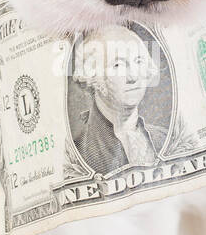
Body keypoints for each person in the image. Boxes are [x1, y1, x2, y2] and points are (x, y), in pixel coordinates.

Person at [71, 28, 168, 173]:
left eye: (139, 61)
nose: (133, 77)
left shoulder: (163, 138)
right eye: (118, 65)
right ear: (93, 75)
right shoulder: (78, 152)